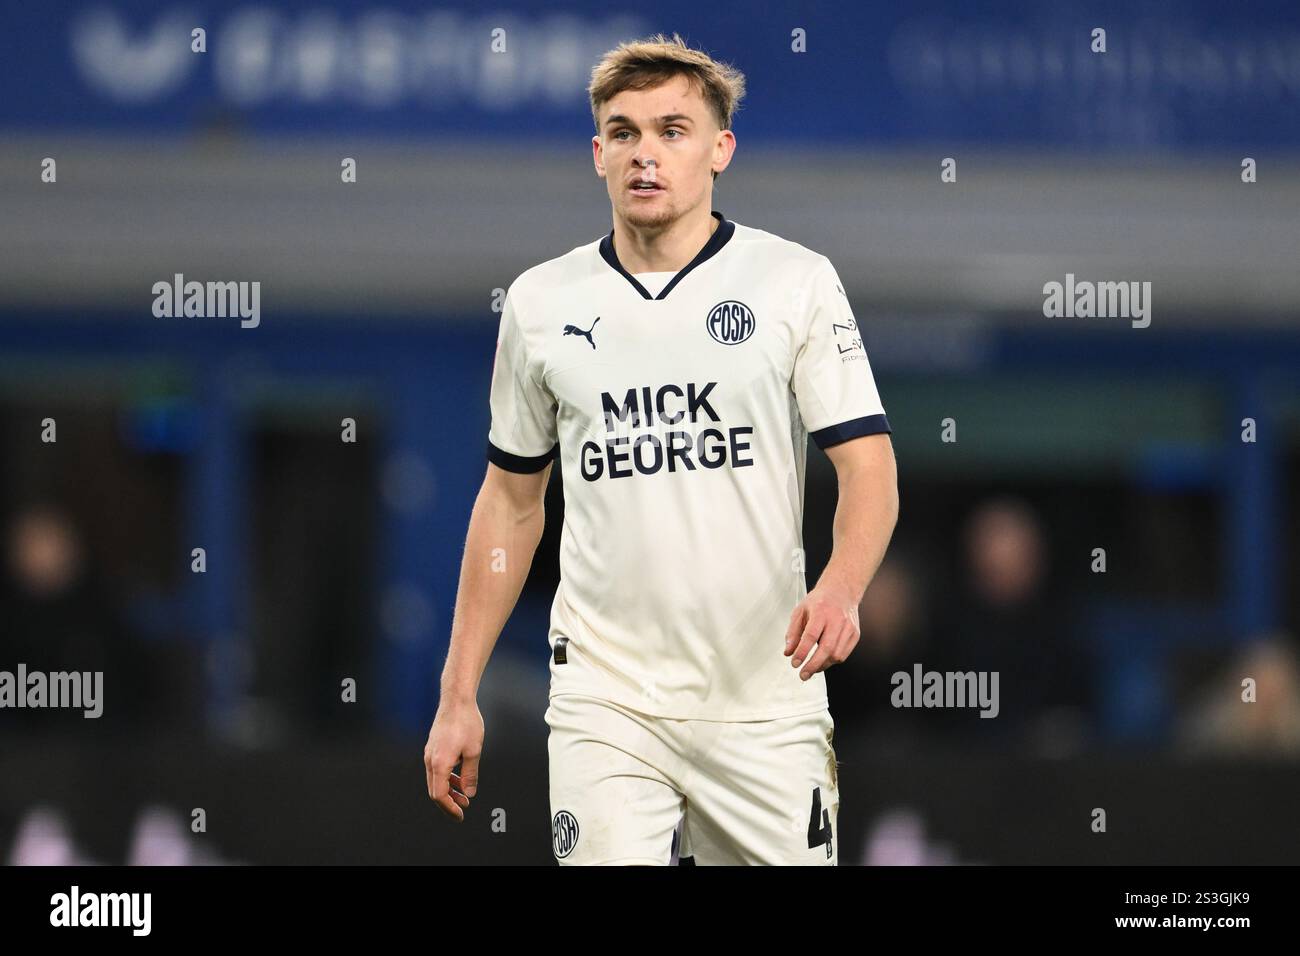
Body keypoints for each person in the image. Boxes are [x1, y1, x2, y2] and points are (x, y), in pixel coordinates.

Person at [423, 33, 898, 865]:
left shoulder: (794, 282)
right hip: (606, 700)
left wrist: (842, 587)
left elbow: (867, 467)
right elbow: (510, 501)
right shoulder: (540, 304)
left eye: (673, 131)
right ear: (597, 153)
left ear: (721, 150)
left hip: (764, 697)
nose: (647, 154)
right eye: (625, 132)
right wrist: (457, 692)